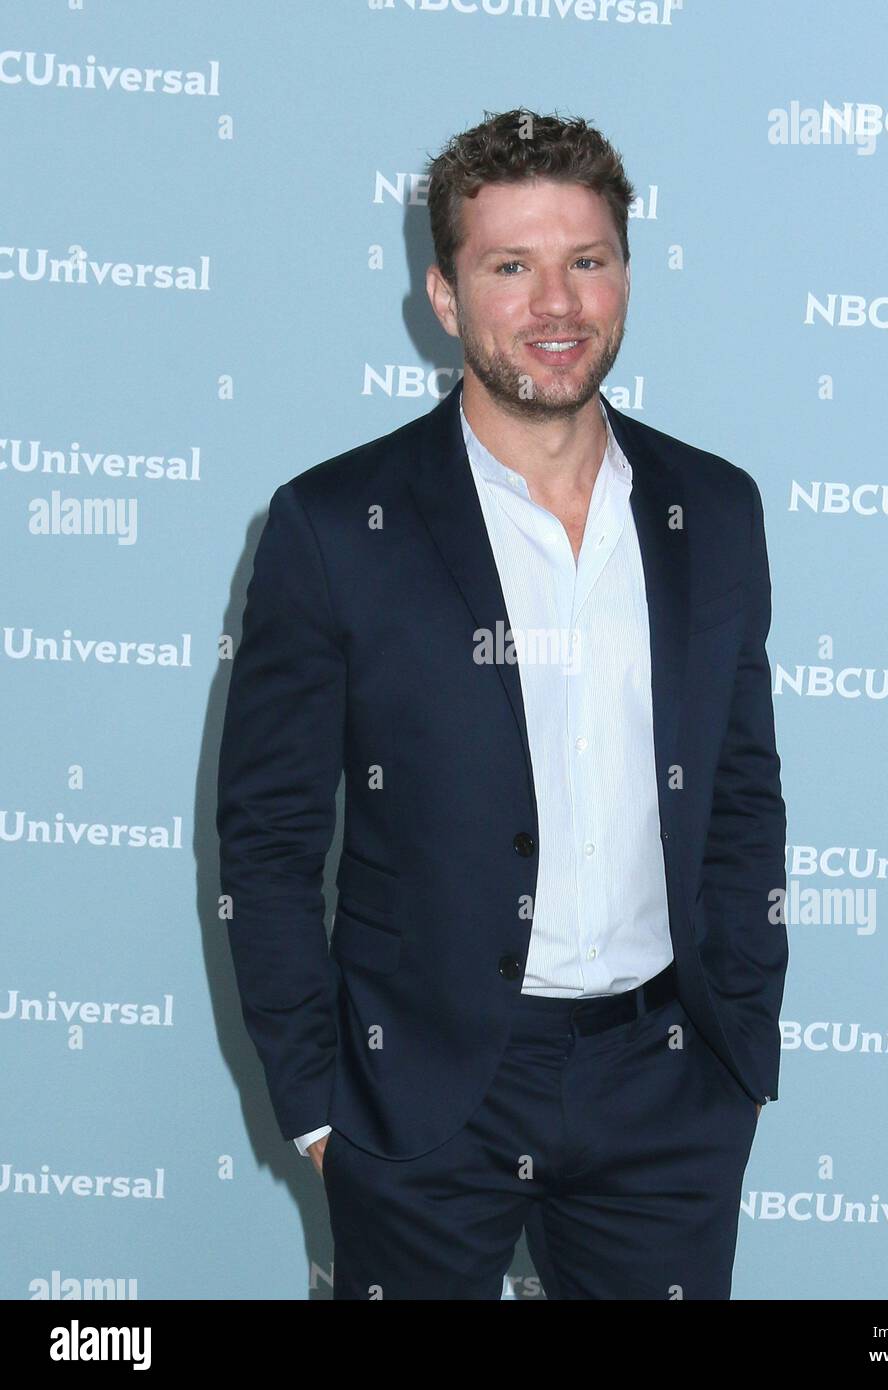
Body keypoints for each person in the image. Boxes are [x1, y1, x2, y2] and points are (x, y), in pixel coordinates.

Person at [216, 108, 789, 1300]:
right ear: (443, 293)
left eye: (585, 260)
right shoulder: (334, 526)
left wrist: (734, 1043)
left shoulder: (713, 512)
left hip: (666, 1083)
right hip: (418, 1095)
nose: (555, 305)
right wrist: (318, 1103)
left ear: (626, 273)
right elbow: (267, 840)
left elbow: (741, 795)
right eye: (510, 267)